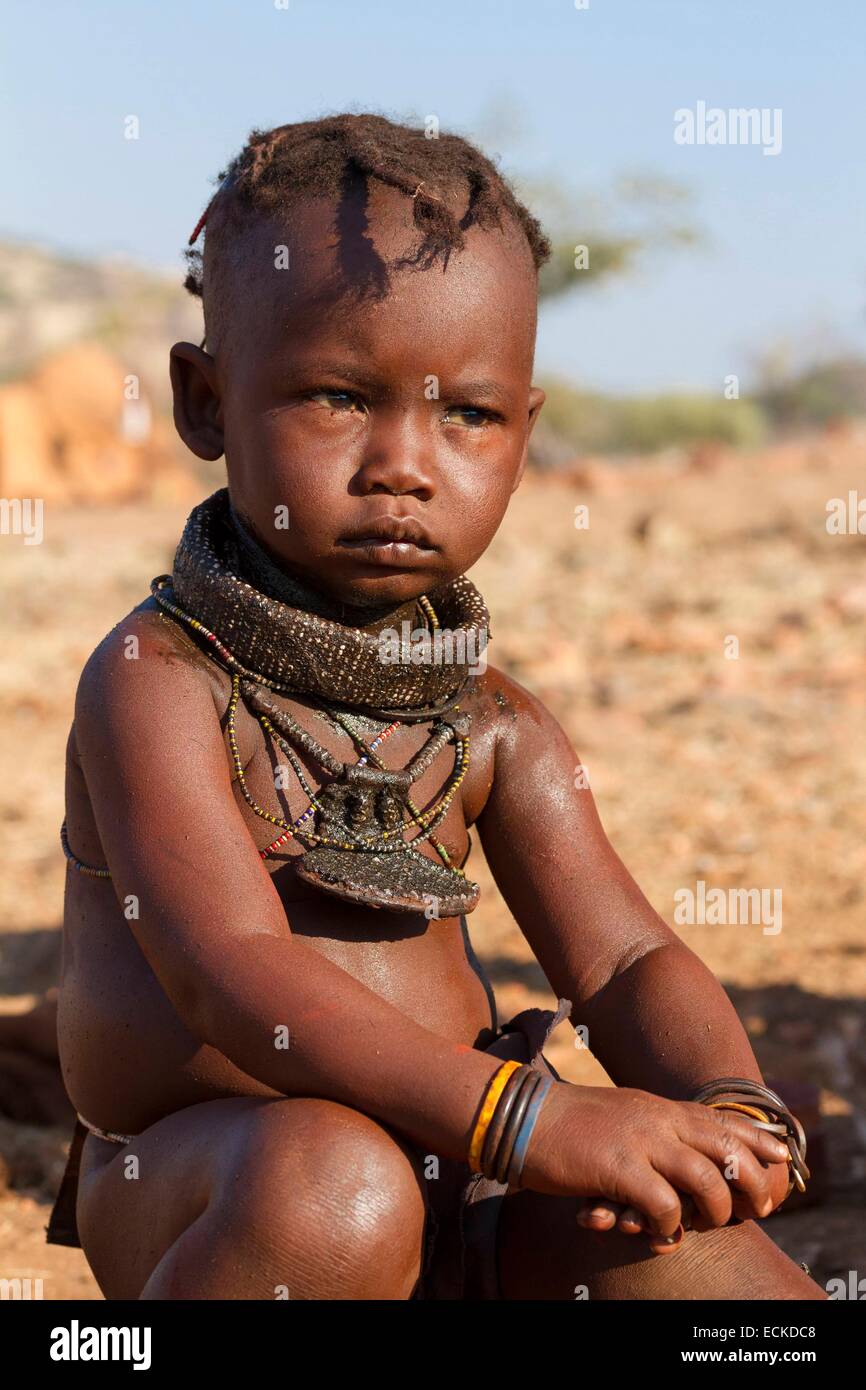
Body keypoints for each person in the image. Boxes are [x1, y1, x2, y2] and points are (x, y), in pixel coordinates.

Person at [48, 114, 822, 1300]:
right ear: (205, 403)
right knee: (334, 1186)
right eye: (335, 397)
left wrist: (725, 1108)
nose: (403, 463)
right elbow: (230, 970)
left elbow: (620, 960)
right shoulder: (160, 677)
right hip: (218, 1185)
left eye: (466, 414)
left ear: (524, 435)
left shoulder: (492, 723)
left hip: (463, 1174)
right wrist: (527, 1120)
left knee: (699, 1257)